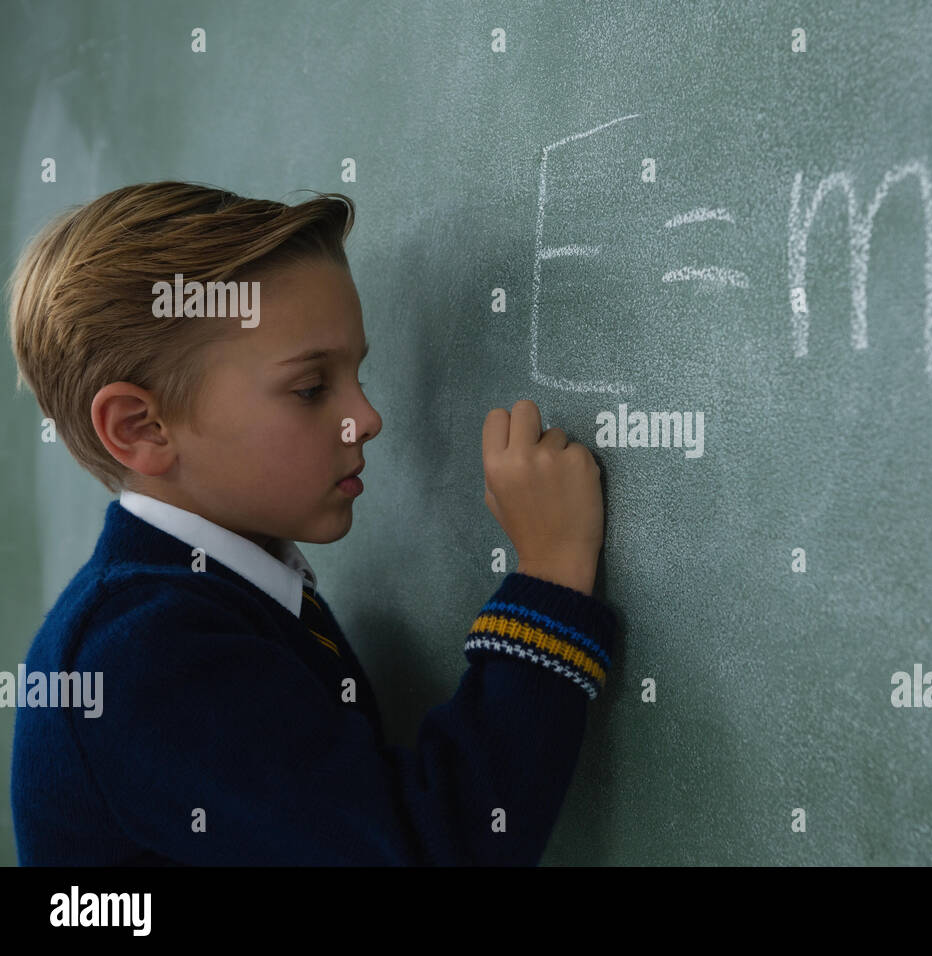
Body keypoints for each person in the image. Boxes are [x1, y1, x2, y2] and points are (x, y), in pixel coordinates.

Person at [7, 181, 617, 865]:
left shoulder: (198, 605)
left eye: (357, 375)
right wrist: (551, 576)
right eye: (310, 388)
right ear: (141, 428)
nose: (369, 416)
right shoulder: (141, 652)